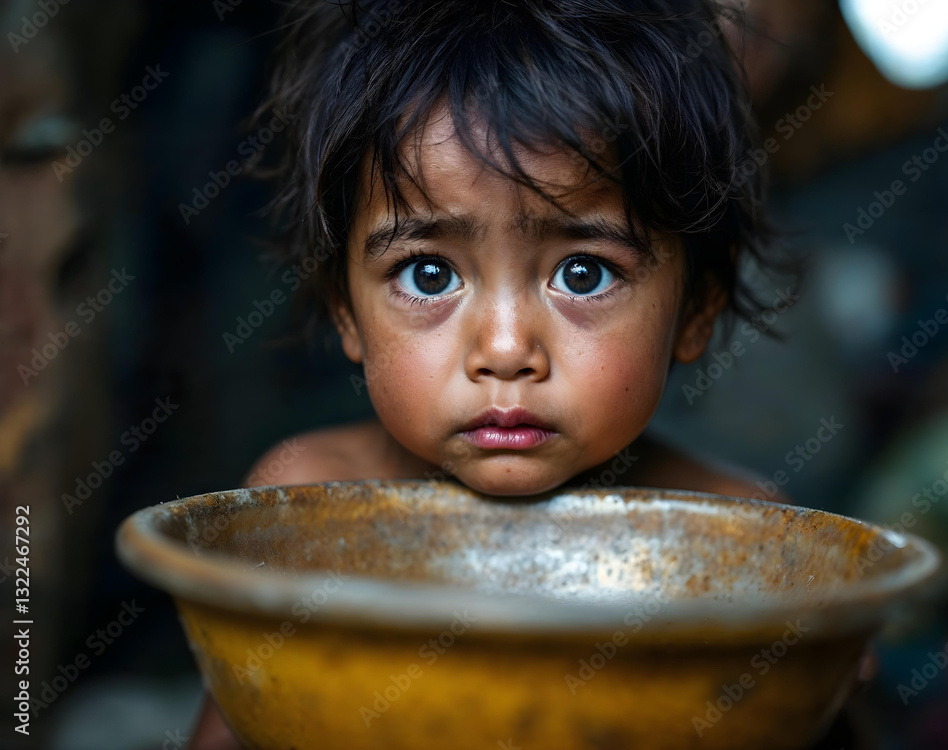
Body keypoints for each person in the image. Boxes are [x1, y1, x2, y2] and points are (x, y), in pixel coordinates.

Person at [190, 0, 791, 745]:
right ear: (345, 309)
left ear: (697, 306)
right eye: (431, 274)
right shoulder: (297, 510)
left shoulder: (735, 542)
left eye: (582, 273)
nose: (505, 350)